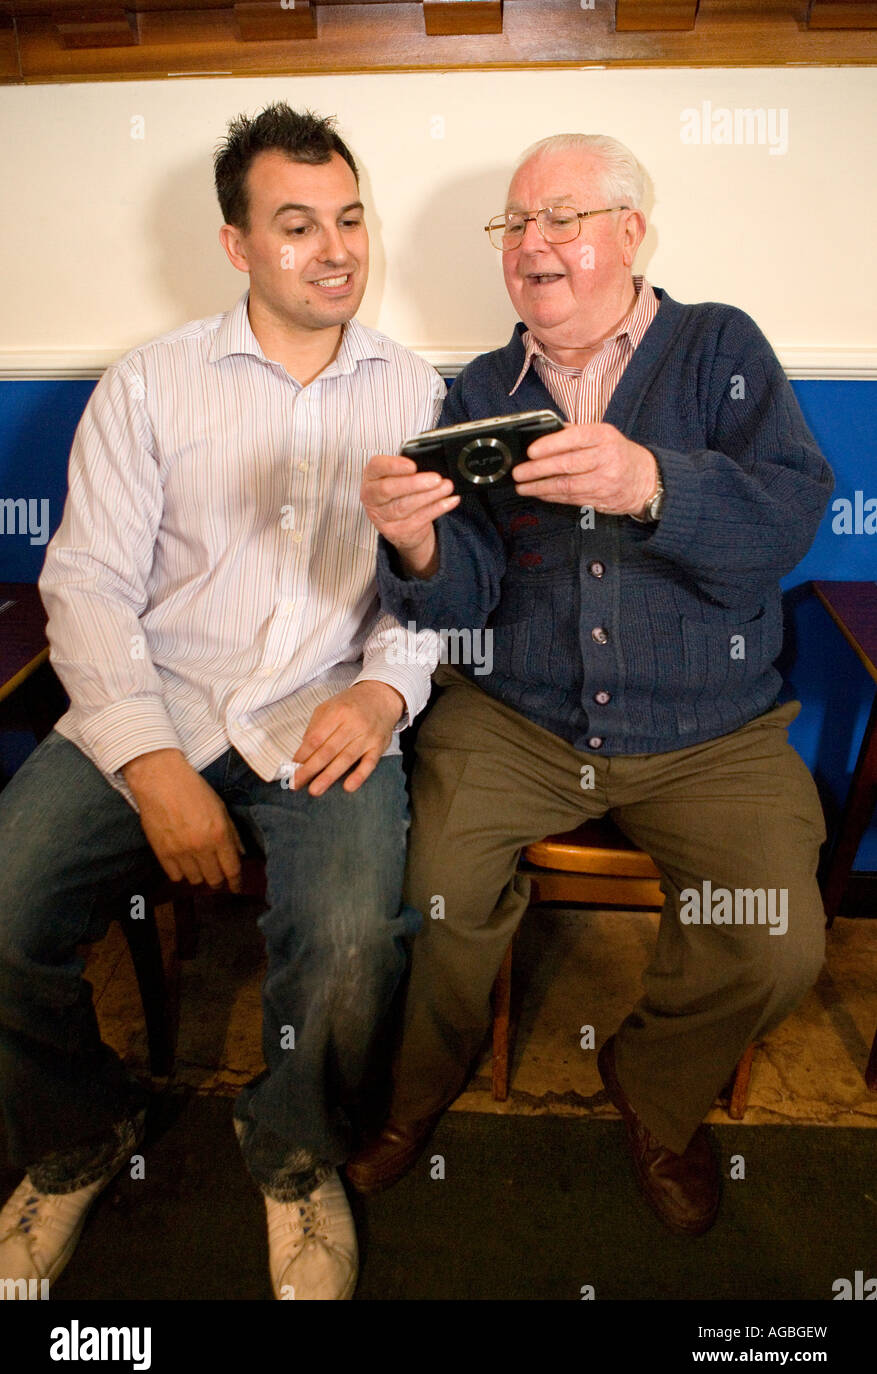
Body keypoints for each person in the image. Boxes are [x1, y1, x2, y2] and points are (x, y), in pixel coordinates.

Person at [348, 132, 834, 1237]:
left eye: (561, 218)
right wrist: (416, 547)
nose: (534, 244)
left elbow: (792, 514)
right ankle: (417, 1090)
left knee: (776, 942)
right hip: (517, 720)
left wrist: (653, 479)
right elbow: (459, 596)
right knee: (431, 891)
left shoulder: (719, 348)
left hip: (710, 728)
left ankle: (652, 1087)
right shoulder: (477, 388)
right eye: (516, 225)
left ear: (630, 233)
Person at [0, 103, 444, 1300]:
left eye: (350, 219)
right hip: (156, 698)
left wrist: (383, 694)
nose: (335, 248)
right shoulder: (147, 386)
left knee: (353, 944)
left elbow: (441, 588)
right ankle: (76, 1133)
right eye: (296, 224)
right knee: (0, 906)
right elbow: (85, 584)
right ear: (235, 244)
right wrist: (148, 765)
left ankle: (296, 1157)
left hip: (322, 711)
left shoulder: (419, 391)